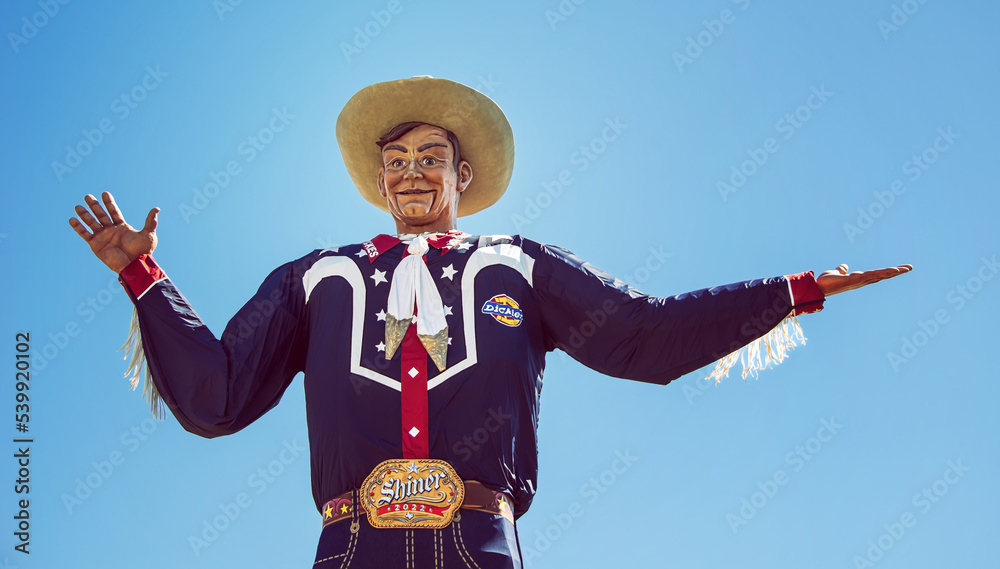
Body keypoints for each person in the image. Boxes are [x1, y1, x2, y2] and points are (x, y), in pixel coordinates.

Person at [68, 76, 911, 568]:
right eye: (393, 161)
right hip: (350, 546)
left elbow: (644, 337)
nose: (408, 174)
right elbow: (216, 395)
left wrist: (795, 289)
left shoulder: (517, 264)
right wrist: (141, 274)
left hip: (478, 540)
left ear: (462, 173)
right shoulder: (315, 279)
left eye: (428, 157)